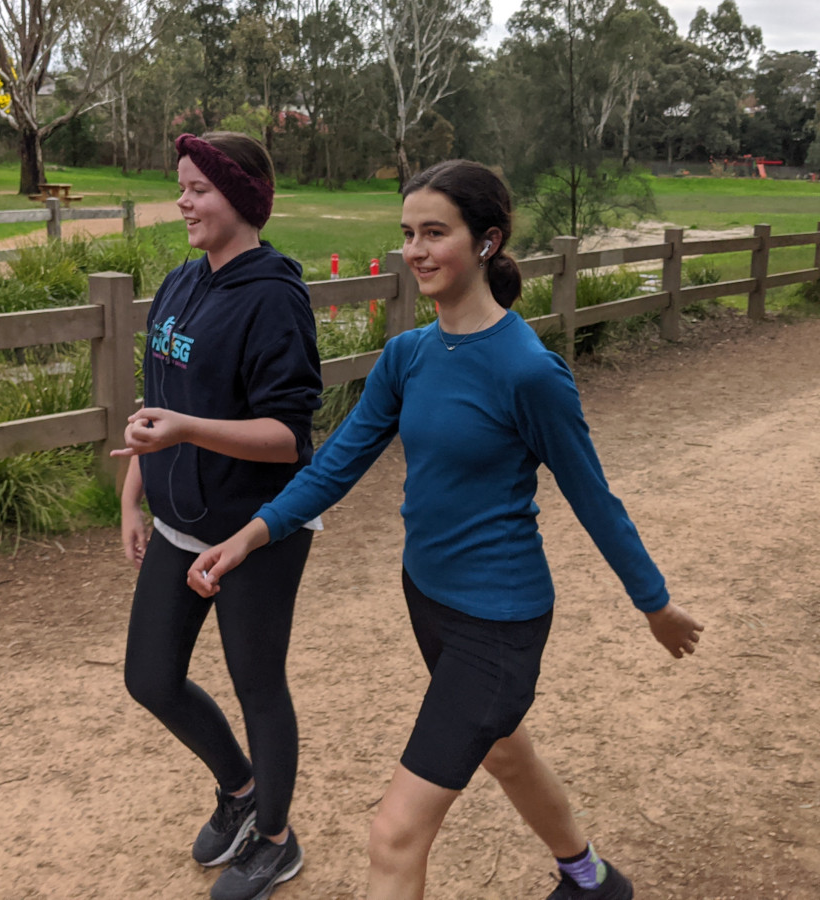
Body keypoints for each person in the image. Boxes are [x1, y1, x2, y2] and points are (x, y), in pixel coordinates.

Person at [185, 159, 704, 900]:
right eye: (407, 234)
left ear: (486, 242)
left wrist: (654, 604)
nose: (417, 251)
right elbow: (336, 466)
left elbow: (594, 498)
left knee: (395, 835)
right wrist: (251, 535)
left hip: (499, 623)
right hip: (427, 598)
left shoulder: (530, 372)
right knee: (504, 752)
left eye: (436, 232)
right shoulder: (409, 356)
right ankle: (590, 879)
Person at [111, 131, 323, 900]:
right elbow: (157, 407)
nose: (183, 200)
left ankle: (275, 839)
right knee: (150, 677)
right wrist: (135, 492)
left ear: (242, 197)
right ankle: (240, 791)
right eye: (183, 186)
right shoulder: (179, 283)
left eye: (199, 187)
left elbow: (287, 438)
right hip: (178, 521)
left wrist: (187, 433)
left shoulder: (275, 299)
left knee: (258, 684)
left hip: (256, 531)